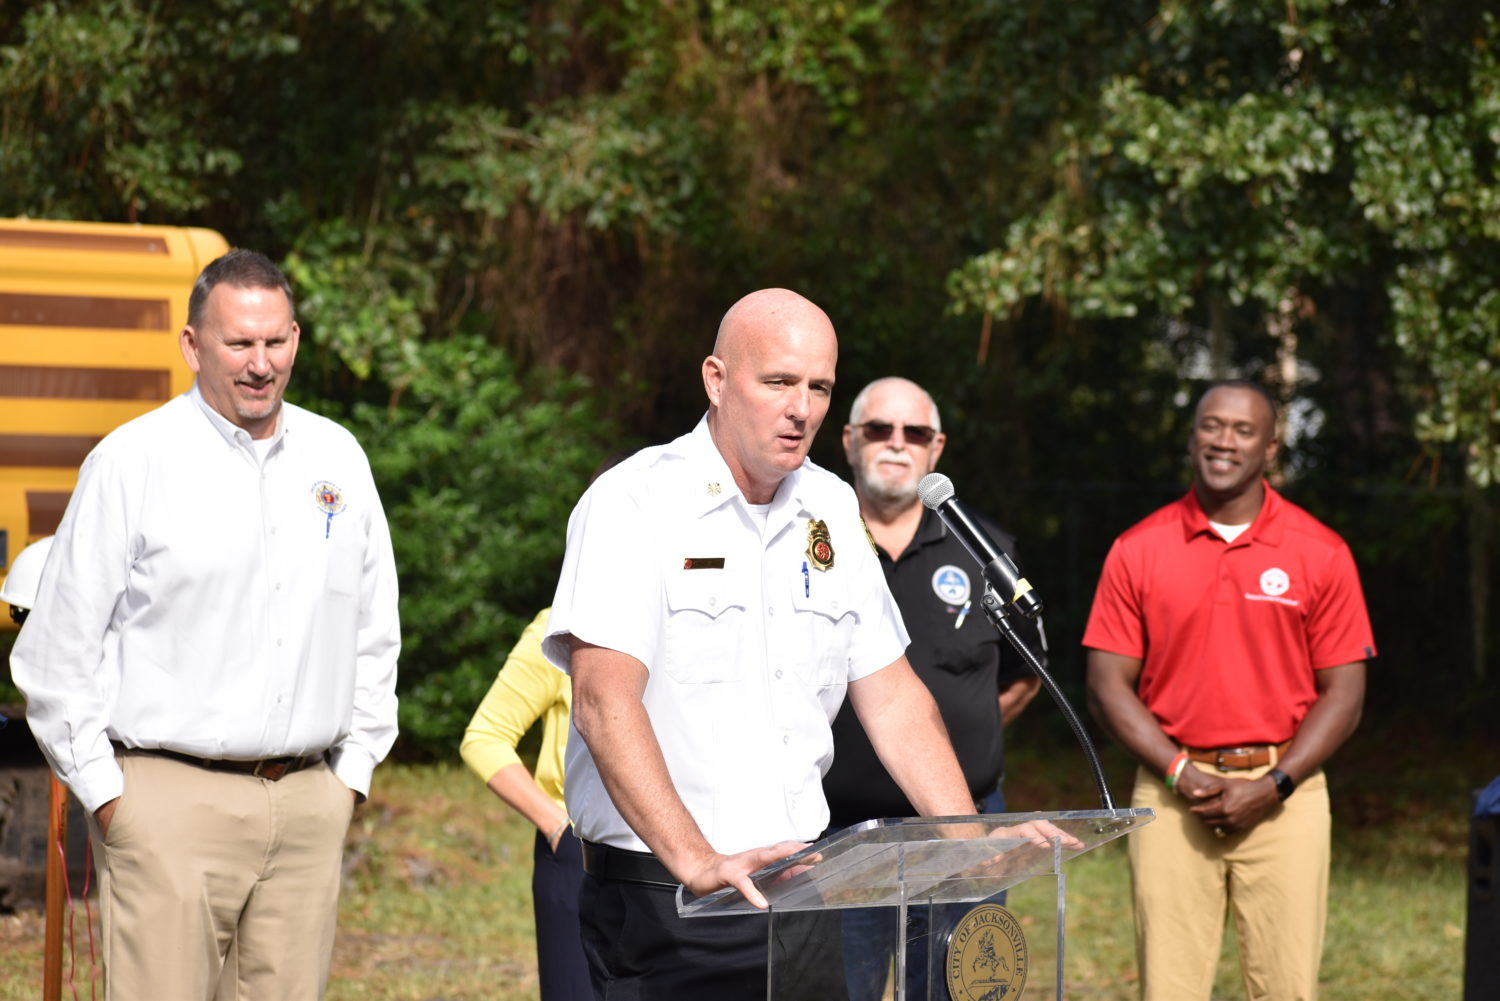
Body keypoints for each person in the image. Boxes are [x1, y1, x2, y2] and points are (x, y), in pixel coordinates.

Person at [541, 289, 1064, 1001]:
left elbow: (896, 699)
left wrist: (969, 842)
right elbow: (603, 701)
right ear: (716, 380)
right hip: (671, 899)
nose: (803, 408)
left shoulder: (830, 507)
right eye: (779, 381)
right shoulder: (634, 501)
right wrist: (696, 859)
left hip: (804, 893)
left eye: (820, 387)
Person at [11, 249, 401, 1001]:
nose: (261, 364)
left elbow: (373, 628)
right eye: (239, 343)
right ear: (193, 345)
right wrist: (112, 799)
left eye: (276, 341)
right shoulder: (131, 463)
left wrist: (349, 777)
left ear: (295, 338)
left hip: (307, 804)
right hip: (166, 808)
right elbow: (55, 657)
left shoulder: (338, 458)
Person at [1083, 380, 1372, 1001]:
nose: (1224, 440)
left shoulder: (1320, 552)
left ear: (1270, 448)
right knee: (1169, 988)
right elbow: (1107, 685)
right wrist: (1179, 772)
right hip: (1172, 794)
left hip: (1286, 796)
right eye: (1212, 426)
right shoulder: (1138, 549)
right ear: (1192, 438)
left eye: (1243, 430)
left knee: (1287, 989)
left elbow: (1345, 693)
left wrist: (1275, 785)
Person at [821, 376, 1044, 999]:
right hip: (841, 834)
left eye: (914, 433)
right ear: (849, 440)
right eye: (878, 430)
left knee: (957, 990)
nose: (897, 444)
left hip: (964, 825)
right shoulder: (812, 547)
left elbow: (1025, 676)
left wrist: (945, 750)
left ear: (936, 448)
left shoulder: (987, 552)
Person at [461, 607, 589, 1001]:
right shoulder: (562, 624)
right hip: (578, 853)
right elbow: (485, 736)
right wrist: (557, 828)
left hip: (680, 858)